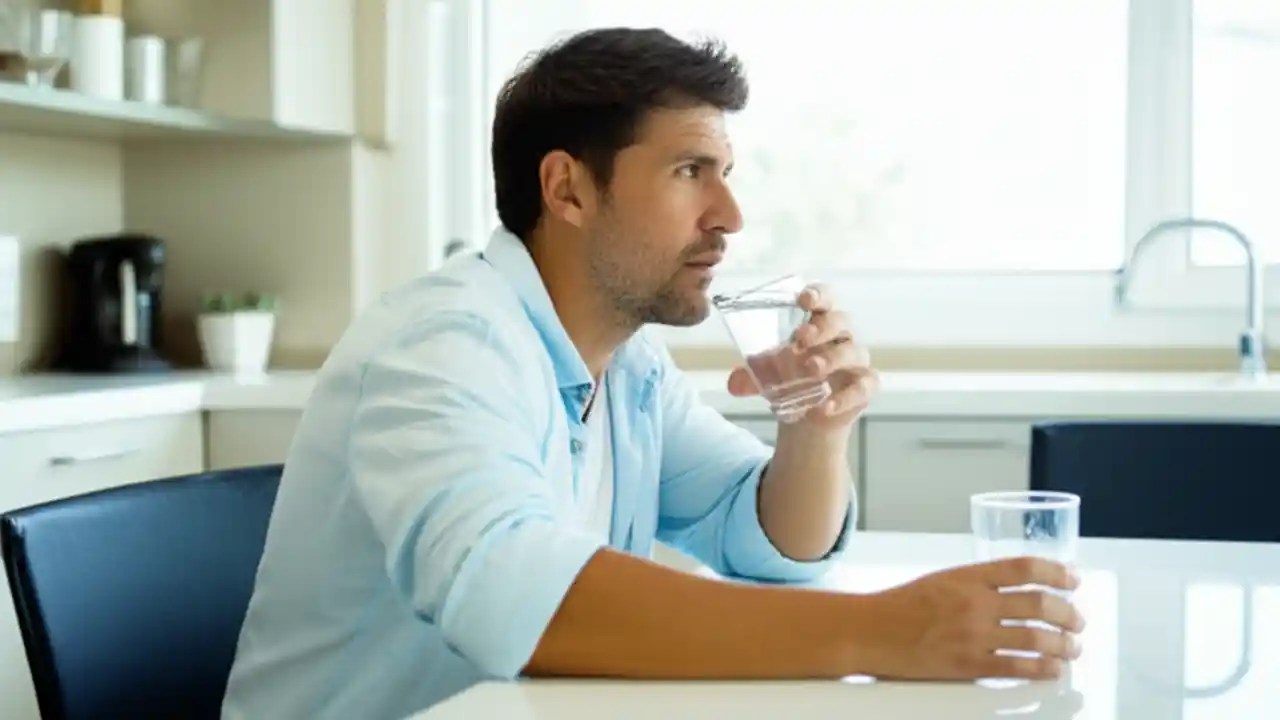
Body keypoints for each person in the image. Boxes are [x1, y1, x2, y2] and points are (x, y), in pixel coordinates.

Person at [221, 28, 1083, 719]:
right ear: (567, 189)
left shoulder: (628, 363)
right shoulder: (443, 344)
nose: (731, 215)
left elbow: (772, 545)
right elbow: (511, 597)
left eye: (727, 175)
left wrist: (813, 435)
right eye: (688, 172)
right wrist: (879, 632)